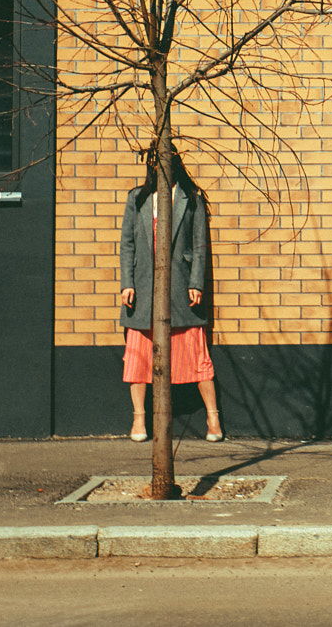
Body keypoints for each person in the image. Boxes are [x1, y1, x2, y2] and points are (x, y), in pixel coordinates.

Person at [118, 148, 223, 442]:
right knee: (138, 354)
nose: (159, 168)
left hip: (180, 287)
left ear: (175, 162)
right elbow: (127, 244)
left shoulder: (192, 198)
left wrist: (196, 283)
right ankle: (139, 419)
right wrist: (127, 282)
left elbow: (200, 246)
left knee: (195, 352)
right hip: (142, 289)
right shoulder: (137, 198)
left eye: (164, 161)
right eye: (154, 163)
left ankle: (213, 419)